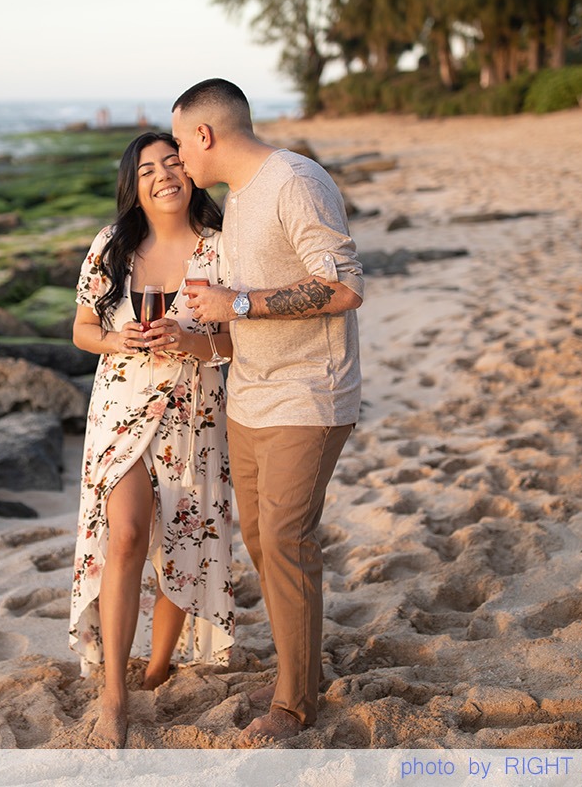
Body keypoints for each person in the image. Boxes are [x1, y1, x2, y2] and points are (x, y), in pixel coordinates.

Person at [175, 78, 363, 746]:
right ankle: (299, 673)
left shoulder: (295, 180)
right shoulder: (236, 198)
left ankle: (294, 705)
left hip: (310, 393)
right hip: (250, 395)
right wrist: (201, 328)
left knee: (286, 540)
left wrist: (242, 303)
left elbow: (342, 287)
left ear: (204, 134)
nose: (178, 160)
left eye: (179, 142)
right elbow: (234, 314)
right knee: (261, 540)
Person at [69, 131, 237, 748]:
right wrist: (119, 340)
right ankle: (115, 692)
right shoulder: (111, 247)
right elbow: (84, 329)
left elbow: (241, 342)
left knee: (183, 538)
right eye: (147, 170)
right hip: (121, 405)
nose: (163, 174)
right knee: (131, 530)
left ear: (191, 171)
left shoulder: (222, 251)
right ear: (133, 188)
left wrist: (196, 343)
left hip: (194, 410)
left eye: (173, 161)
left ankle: (159, 668)